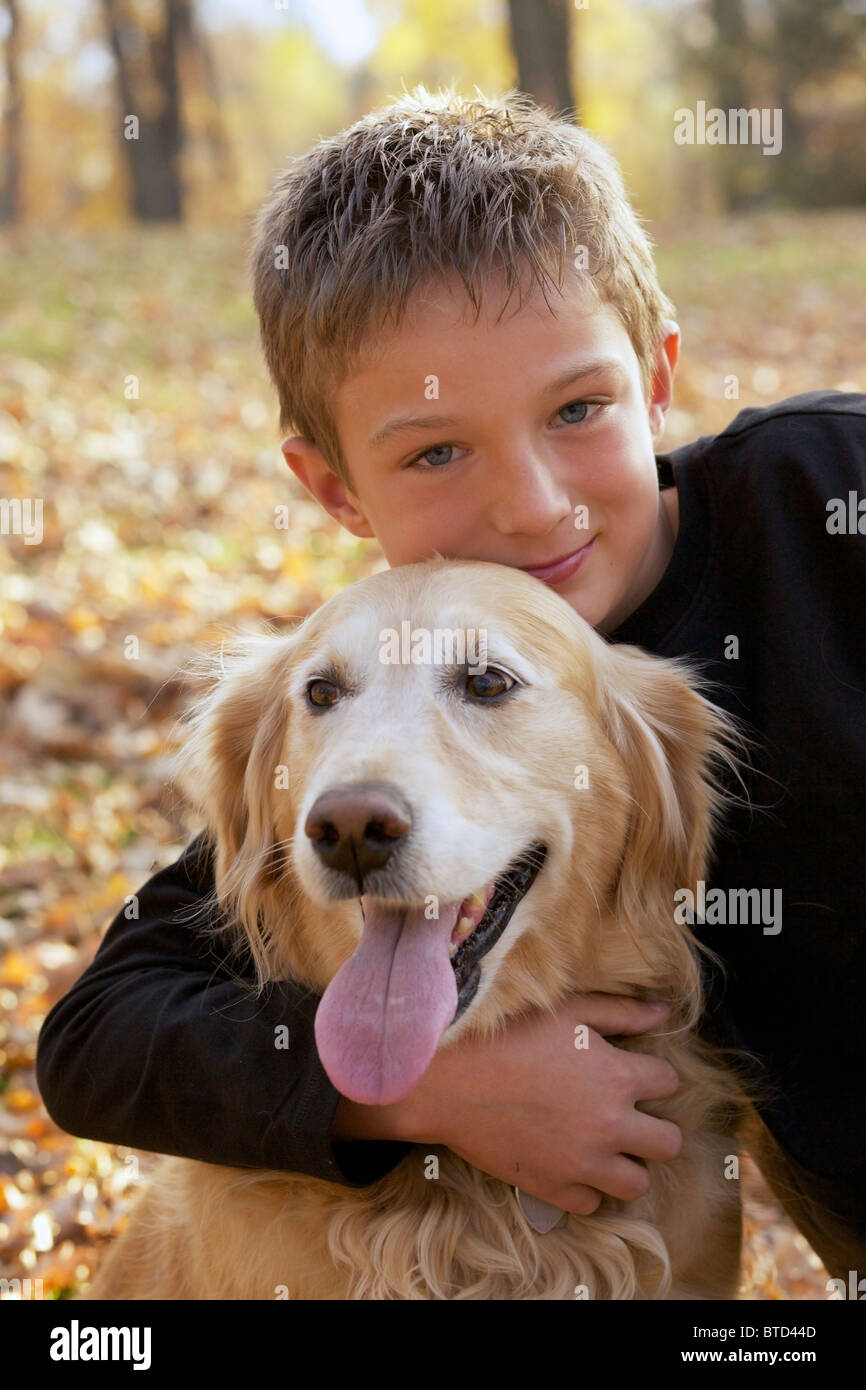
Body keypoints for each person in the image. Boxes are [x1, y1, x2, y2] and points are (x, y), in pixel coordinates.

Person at [36, 88, 866, 1281]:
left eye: (577, 409)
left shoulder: (827, 493)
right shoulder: (384, 745)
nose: (532, 504)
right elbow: (100, 1030)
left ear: (656, 374)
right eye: (435, 450)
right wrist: (425, 1090)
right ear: (333, 490)